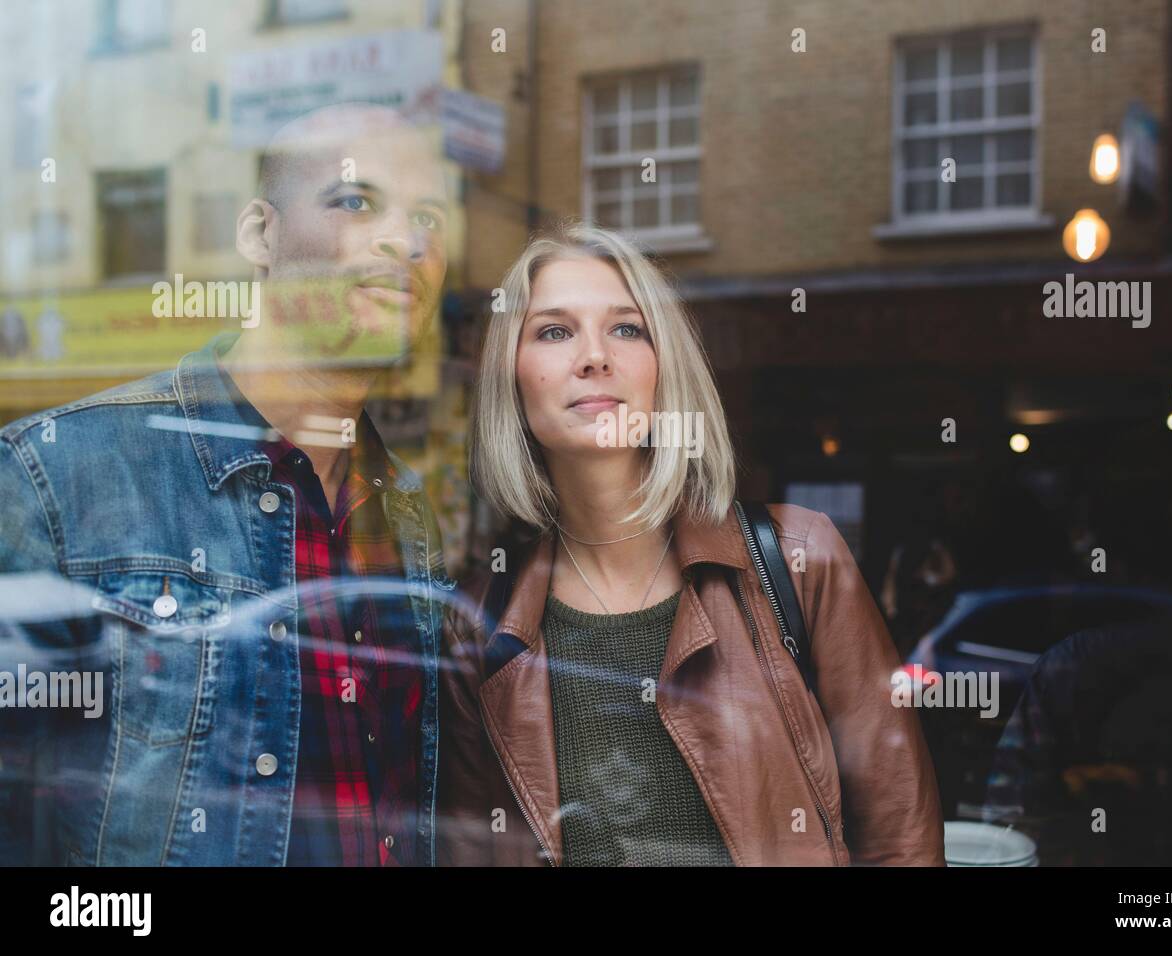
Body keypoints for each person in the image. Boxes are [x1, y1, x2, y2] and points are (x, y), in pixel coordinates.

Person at [0, 103, 454, 866]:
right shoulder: (55, 473)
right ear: (259, 234)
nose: (406, 241)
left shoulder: (407, 514)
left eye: (430, 216)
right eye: (355, 201)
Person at [436, 223, 945, 866]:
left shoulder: (796, 557)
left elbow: (900, 837)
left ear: (663, 367)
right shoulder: (478, 626)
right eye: (554, 331)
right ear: (513, 376)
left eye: (627, 328)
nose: (594, 356)